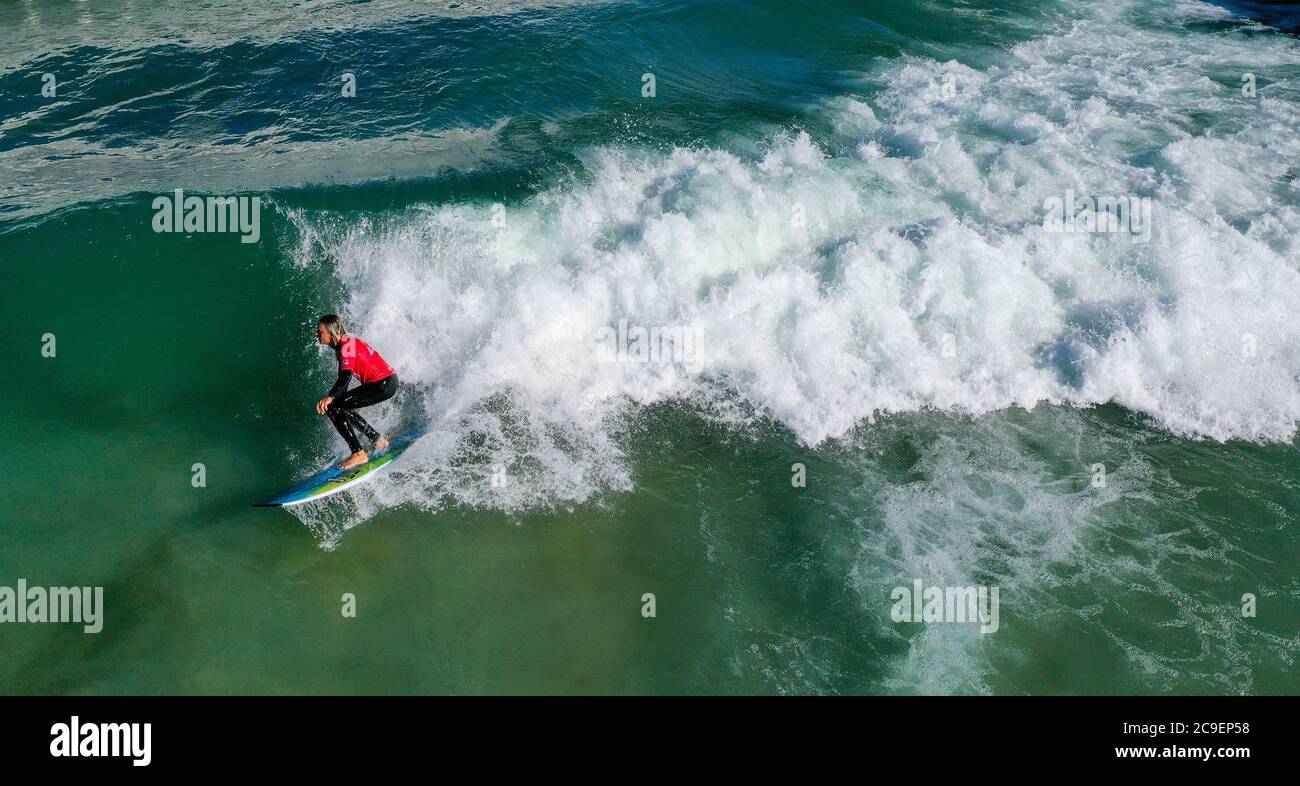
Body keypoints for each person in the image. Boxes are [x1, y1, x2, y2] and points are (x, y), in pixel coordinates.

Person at [314, 314, 399, 469]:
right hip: (386, 382)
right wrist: (335, 401)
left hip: (383, 383)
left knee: (335, 406)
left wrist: (330, 398)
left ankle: (358, 454)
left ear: (331, 331)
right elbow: (344, 382)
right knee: (339, 406)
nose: (316, 333)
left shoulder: (347, 344)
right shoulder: (344, 345)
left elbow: (346, 377)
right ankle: (378, 441)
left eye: (320, 330)